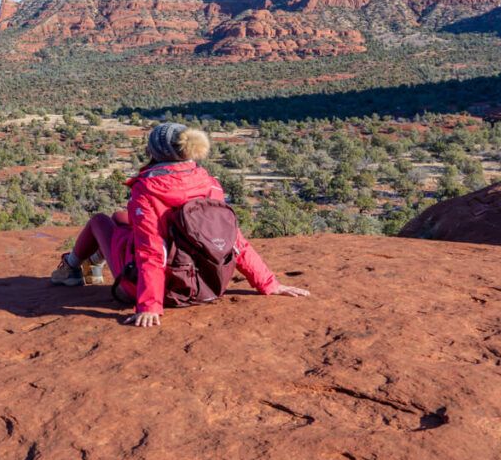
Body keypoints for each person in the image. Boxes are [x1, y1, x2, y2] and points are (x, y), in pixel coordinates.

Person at [51, 122, 309, 327]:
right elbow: (234, 241)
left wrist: (150, 306)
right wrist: (269, 284)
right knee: (120, 218)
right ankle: (90, 265)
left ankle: (71, 269)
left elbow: (151, 250)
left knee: (99, 221)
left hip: (164, 290)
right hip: (207, 285)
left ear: (155, 152)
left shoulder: (148, 190)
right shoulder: (209, 184)